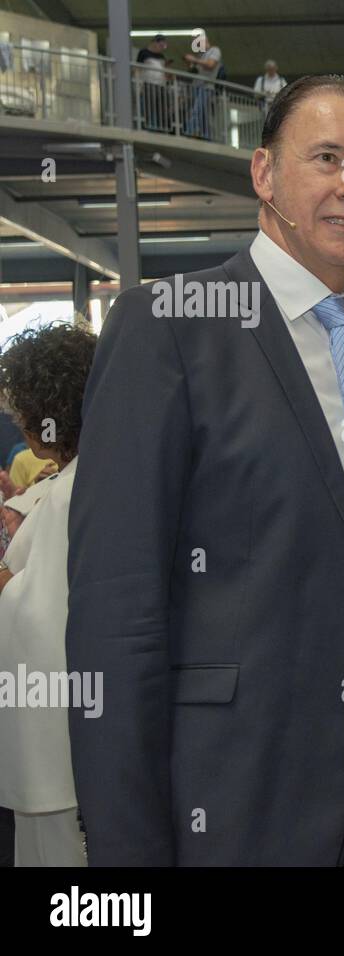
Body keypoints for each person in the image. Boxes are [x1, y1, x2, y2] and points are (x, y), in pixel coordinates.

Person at [65, 75, 344, 866]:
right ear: (264, 175)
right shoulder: (168, 327)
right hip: (243, 800)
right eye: (329, 158)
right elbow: (116, 615)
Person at [0, 324, 97, 866]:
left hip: (63, 747)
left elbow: (39, 620)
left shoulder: (72, 494)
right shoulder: (84, 476)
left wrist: (5, 584)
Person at [182, 32, 222, 140]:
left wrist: (194, 60)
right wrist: (190, 63)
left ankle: (189, 133)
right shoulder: (201, 56)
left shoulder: (214, 51)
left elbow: (210, 65)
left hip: (206, 87)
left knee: (197, 111)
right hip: (197, 86)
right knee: (202, 115)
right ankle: (207, 137)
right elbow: (194, 72)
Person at [135, 34, 168, 131]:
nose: (162, 48)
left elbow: (164, 70)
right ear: (155, 43)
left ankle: (158, 127)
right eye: (161, 45)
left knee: (160, 108)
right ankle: (147, 126)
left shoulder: (162, 56)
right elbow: (138, 69)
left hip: (161, 85)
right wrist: (138, 84)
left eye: (164, 46)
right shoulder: (143, 53)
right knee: (148, 106)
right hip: (149, 83)